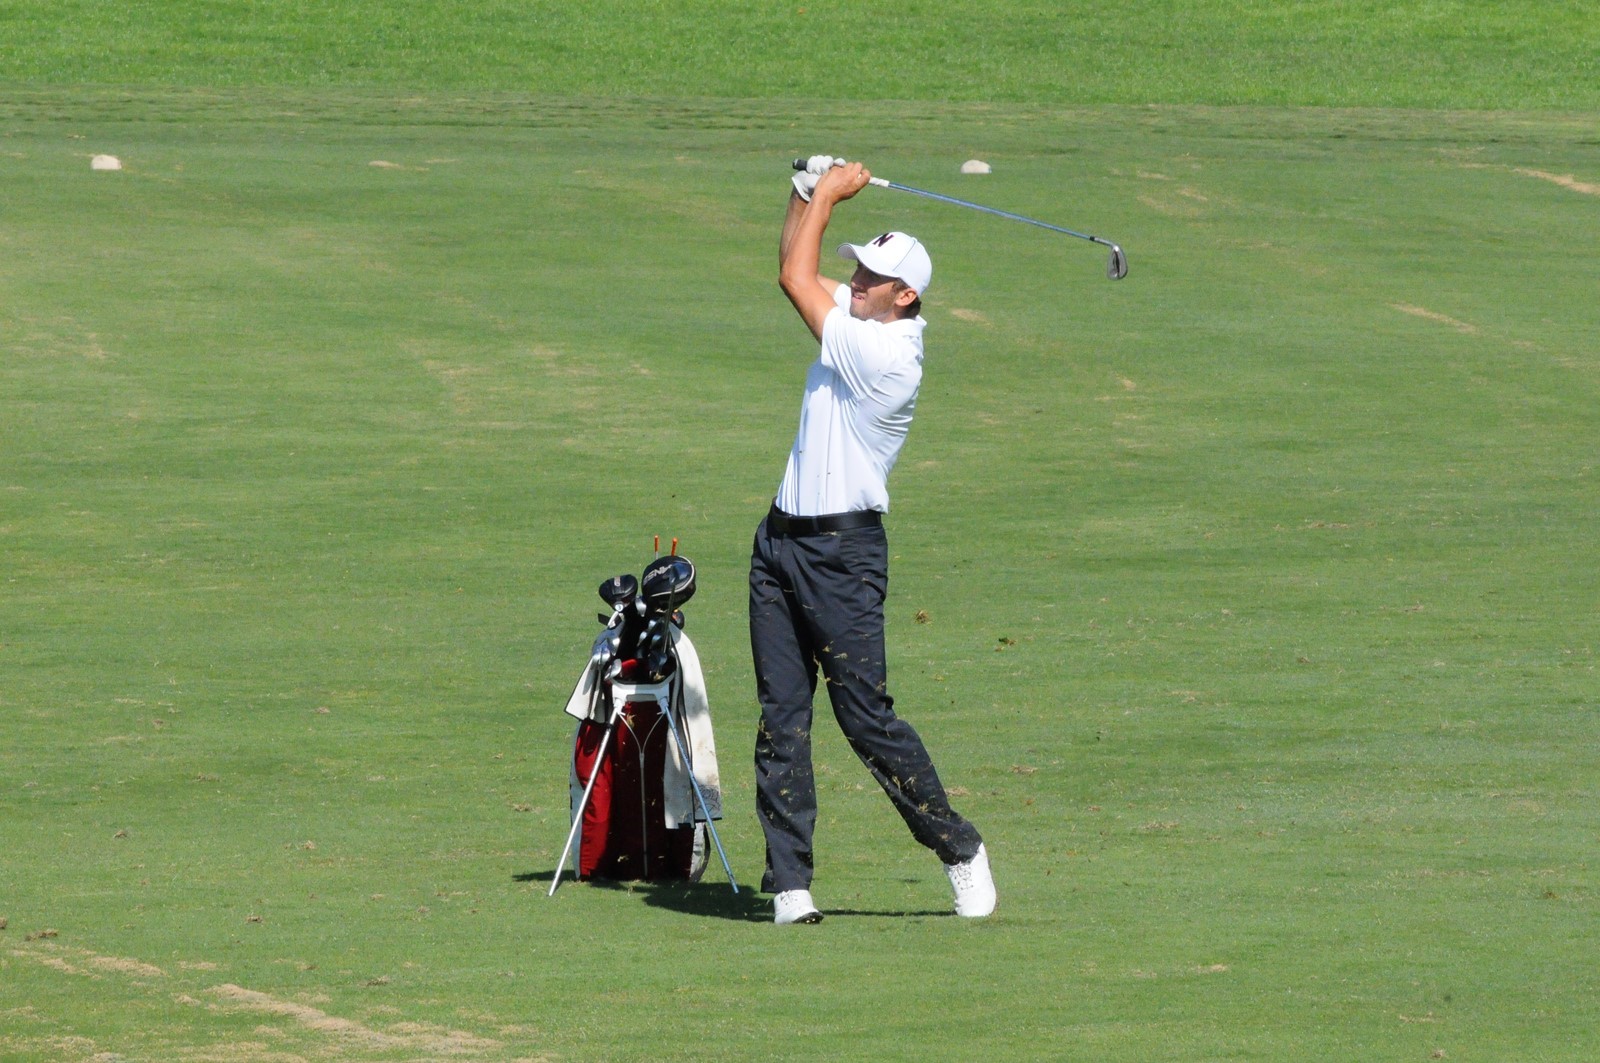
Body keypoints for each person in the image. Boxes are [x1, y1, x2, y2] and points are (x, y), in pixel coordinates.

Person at [748, 156, 996, 925]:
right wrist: (801, 194)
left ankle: (959, 848)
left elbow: (796, 278)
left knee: (865, 719)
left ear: (905, 295)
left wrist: (827, 194)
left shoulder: (888, 356)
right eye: (856, 268)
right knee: (781, 719)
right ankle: (790, 884)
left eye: (871, 277)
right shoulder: (861, 322)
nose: (854, 280)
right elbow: (793, 267)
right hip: (779, 544)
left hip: (842, 556)